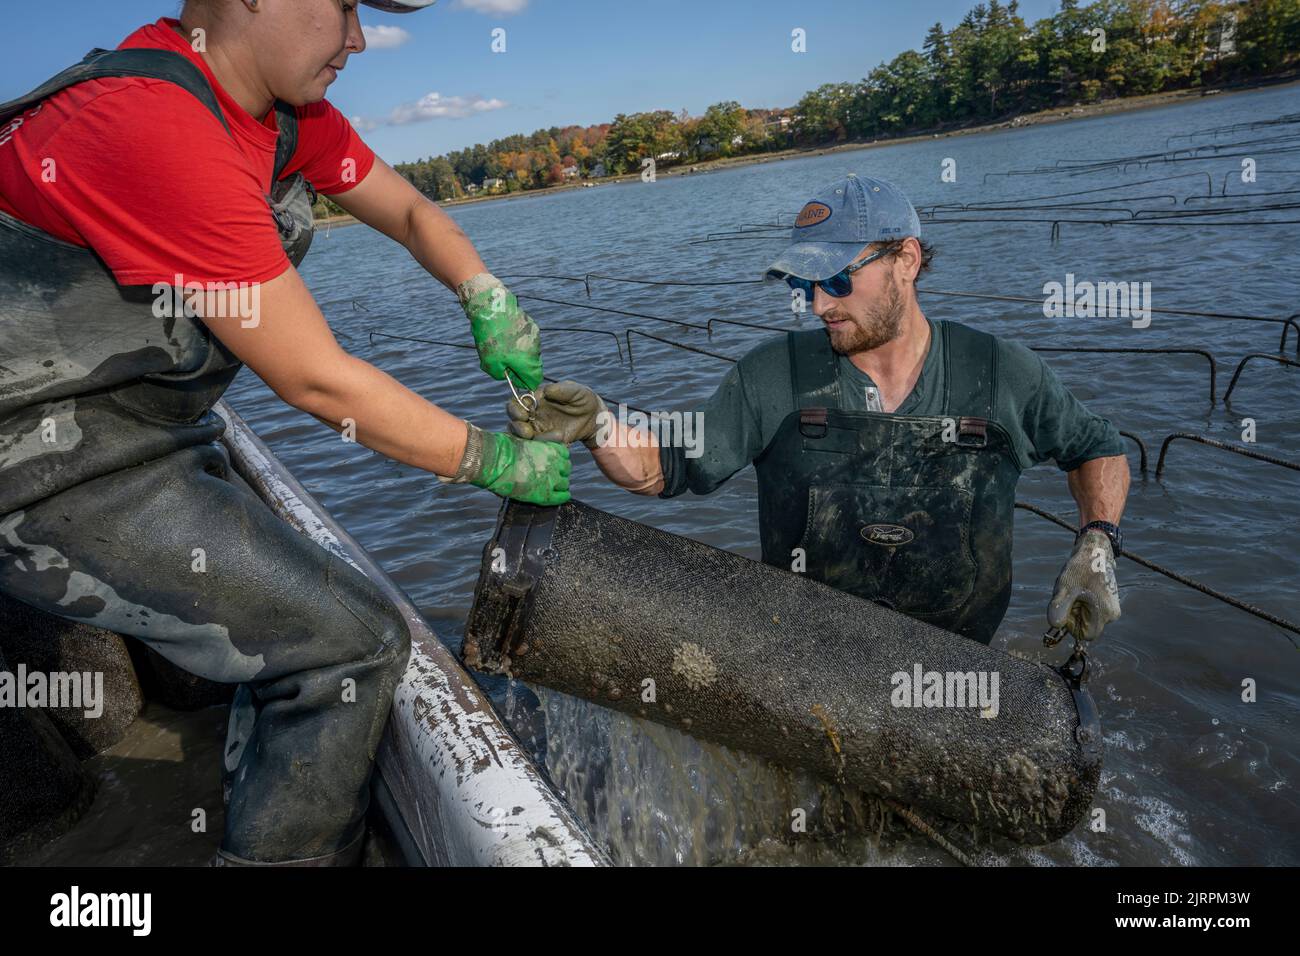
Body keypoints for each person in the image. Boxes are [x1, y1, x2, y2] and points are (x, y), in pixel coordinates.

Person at [0, 0, 568, 866]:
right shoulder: (151, 122)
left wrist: (484, 293)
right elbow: (315, 379)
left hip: (143, 429)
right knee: (350, 644)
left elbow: (412, 213)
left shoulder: (278, 114)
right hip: (39, 462)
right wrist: (493, 460)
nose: (359, 37)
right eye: (342, 5)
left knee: (225, 640)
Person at [506, 175, 1131, 647]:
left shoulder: (999, 372)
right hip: (810, 659)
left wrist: (1096, 542)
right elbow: (665, 466)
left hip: (958, 666)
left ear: (906, 261)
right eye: (803, 285)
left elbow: (1097, 447)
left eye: (835, 281)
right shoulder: (773, 375)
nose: (816, 305)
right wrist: (598, 425)